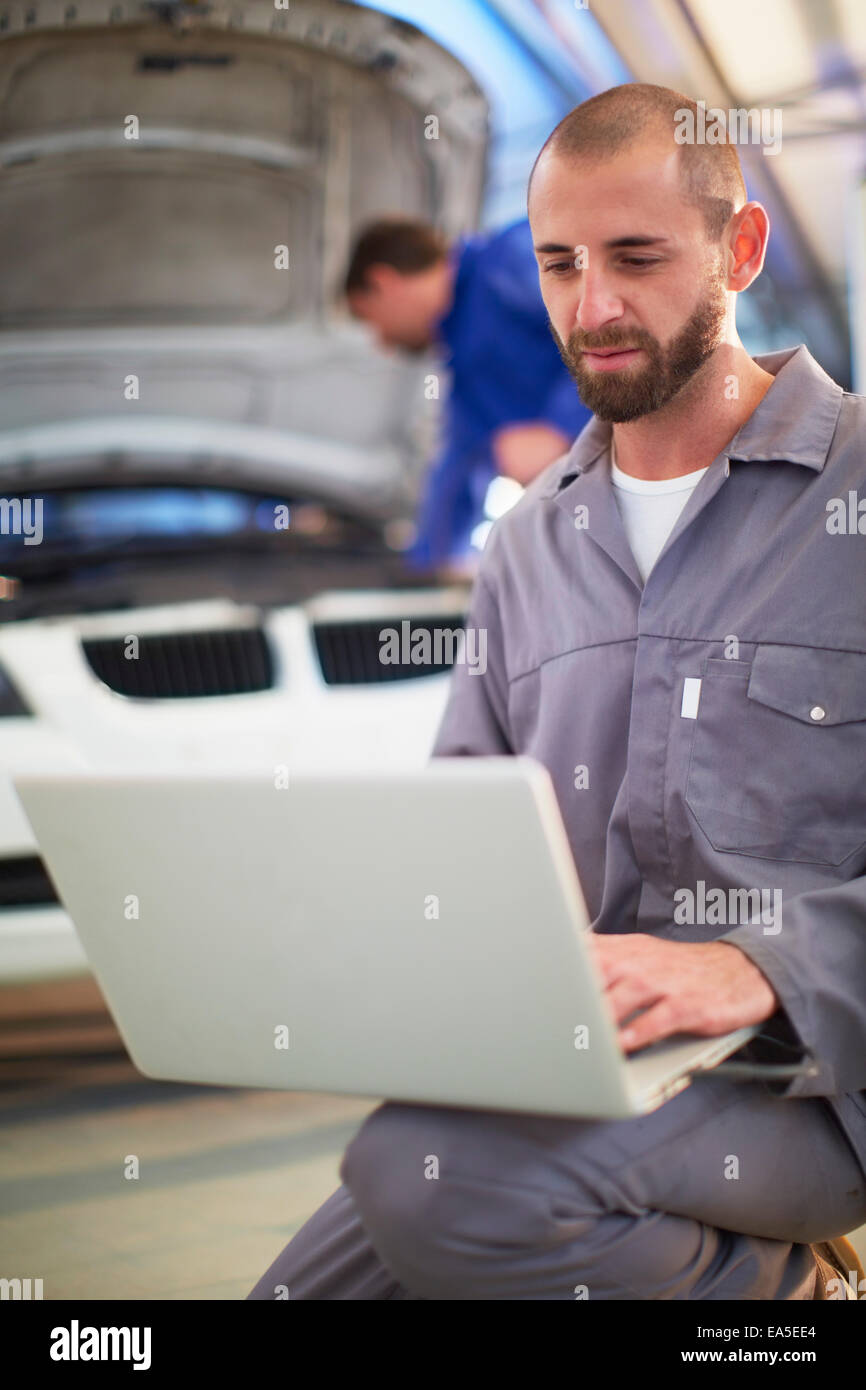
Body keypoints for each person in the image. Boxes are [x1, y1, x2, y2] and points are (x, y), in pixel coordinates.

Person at [249, 83, 866, 1300]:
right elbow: (463, 830)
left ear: (738, 248)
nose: (592, 308)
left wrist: (761, 966)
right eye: (557, 265)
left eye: (636, 258)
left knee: (440, 1179)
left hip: (808, 1074)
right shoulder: (527, 544)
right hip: (588, 1068)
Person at [344, 216, 592, 571]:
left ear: (383, 283)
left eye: (370, 320)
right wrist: (428, 573)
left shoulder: (514, 258)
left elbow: (607, 327)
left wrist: (558, 428)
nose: (382, 343)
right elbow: (456, 478)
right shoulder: (465, 369)